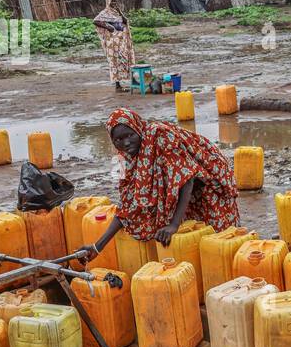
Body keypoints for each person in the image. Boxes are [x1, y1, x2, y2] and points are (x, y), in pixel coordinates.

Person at [75, 109, 239, 262]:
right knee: (191, 233)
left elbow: (187, 179)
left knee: (219, 236)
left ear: (138, 129)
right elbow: (128, 204)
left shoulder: (159, 135)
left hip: (209, 178)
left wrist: (173, 225)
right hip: (185, 183)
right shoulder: (125, 159)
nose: (125, 143)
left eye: (130, 135)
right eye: (118, 140)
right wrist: (97, 247)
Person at [93, 0, 134, 92]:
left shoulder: (117, 13)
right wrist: (108, 27)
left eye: (115, 1)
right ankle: (117, 86)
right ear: (108, 2)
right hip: (112, 42)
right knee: (115, 62)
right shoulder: (105, 13)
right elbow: (95, 21)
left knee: (122, 60)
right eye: (112, 1)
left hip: (121, 40)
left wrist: (120, 11)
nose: (114, 3)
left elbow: (125, 21)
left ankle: (122, 83)